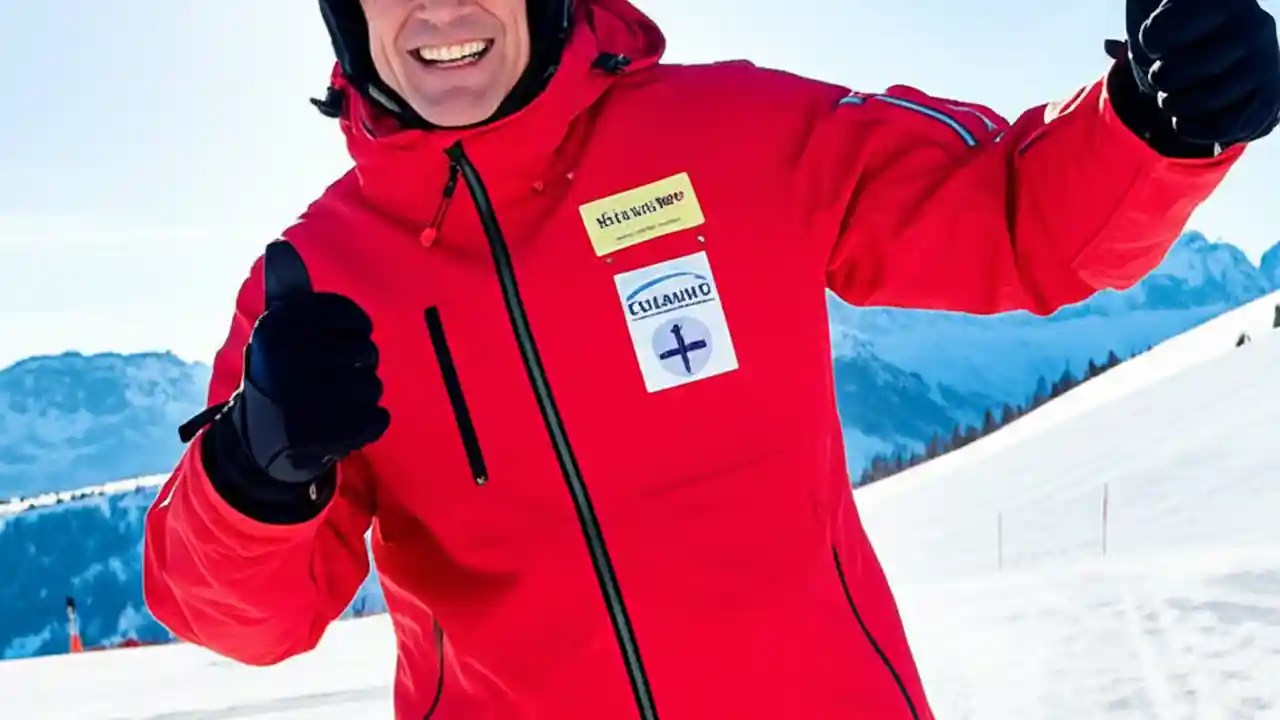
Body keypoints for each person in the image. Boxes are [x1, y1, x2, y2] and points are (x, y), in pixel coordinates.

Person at [141, 0, 1280, 717]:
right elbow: (242, 619)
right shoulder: (309, 285)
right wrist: (253, 473)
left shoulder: (733, 136)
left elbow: (1011, 215)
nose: (442, 7)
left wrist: (1158, 121)